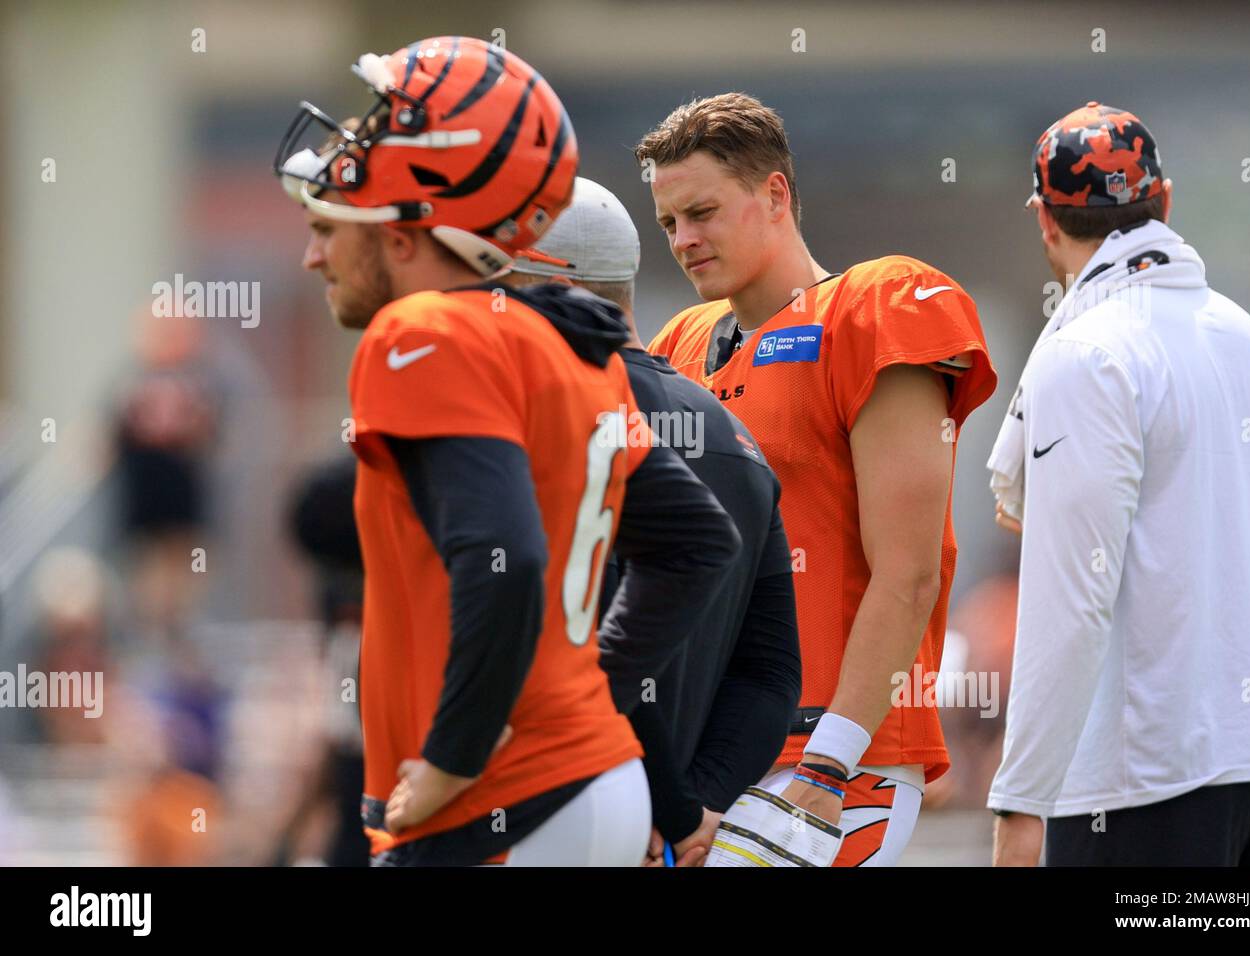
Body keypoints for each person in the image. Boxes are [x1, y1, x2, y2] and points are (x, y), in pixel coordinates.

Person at [275, 36, 739, 866]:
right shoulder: (559, 344)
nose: (314, 255)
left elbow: (506, 556)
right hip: (594, 785)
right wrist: (582, 688)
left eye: (327, 226)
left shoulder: (422, 331)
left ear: (407, 220)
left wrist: (458, 753)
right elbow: (695, 544)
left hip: (505, 799)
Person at [641, 93, 998, 865]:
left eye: (702, 212)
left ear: (775, 194)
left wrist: (832, 758)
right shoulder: (678, 343)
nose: (684, 240)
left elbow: (910, 569)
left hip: (828, 749)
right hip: (703, 746)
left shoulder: (875, 308)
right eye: (670, 223)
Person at [987, 102, 1250, 866]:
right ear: (1164, 202)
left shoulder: (1086, 355)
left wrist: (1020, 803)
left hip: (1139, 787)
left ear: (1045, 223)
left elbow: (1071, 601)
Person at [504, 176, 801, 866]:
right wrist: (693, 813)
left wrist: (663, 801)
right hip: (665, 838)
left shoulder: (545, 422)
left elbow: (585, 643)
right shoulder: (733, 438)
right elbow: (771, 676)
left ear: (535, 284)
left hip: (550, 814)